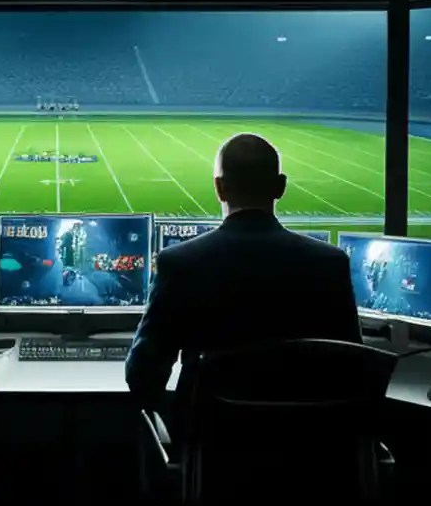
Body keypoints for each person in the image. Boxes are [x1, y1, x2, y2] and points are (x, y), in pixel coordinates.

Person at [125, 132, 361, 427]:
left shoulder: (181, 264)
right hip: (305, 449)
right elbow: (353, 370)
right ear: (280, 187)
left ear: (219, 188)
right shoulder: (330, 264)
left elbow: (142, 375)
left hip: (211, 454)